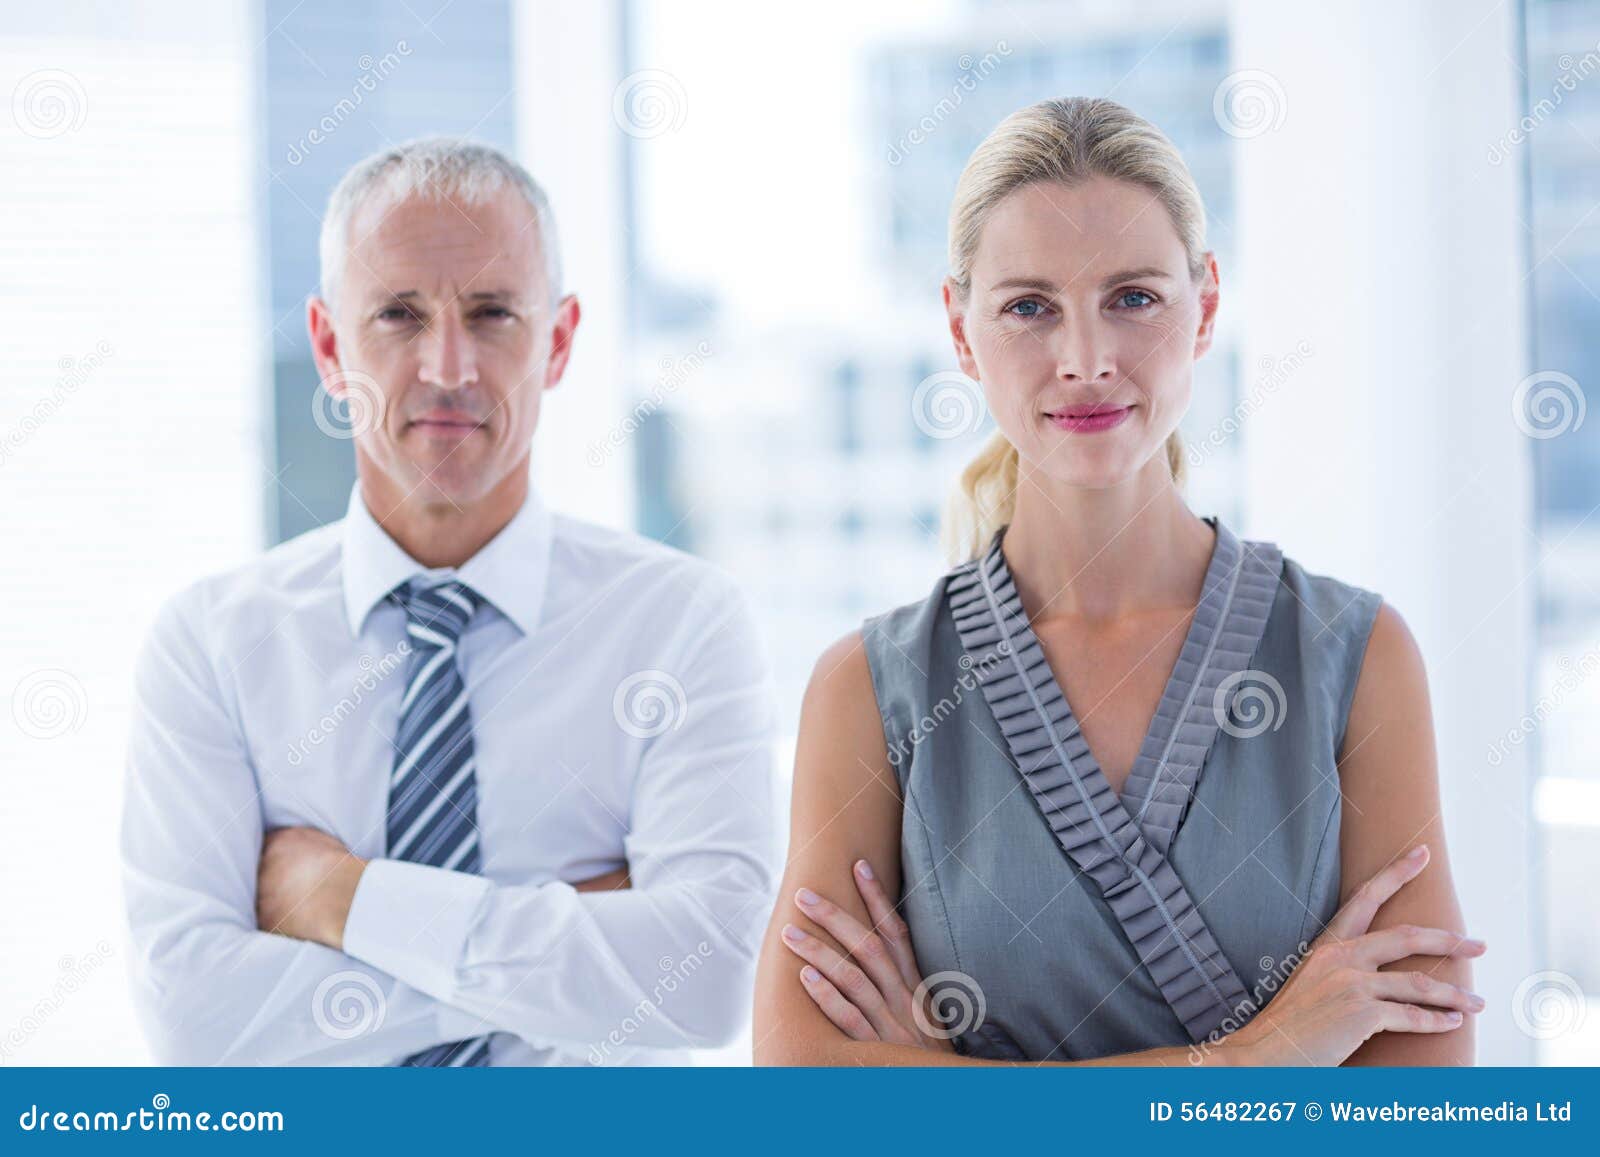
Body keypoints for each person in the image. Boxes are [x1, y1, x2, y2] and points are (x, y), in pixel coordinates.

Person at [752, 97, 1483, 1066]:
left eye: (1132, 297)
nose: (1086, 359)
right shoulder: (870, 684)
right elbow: (803, 1094)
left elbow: (1419, 1108)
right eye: (1028, 307)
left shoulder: (1353, 654)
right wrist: (1259, 1055)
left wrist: (943, 1085)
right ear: (960, 331)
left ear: (1206, 306)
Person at [122, 139, 779, 1066]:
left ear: (556, 341)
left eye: (493, 312)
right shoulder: (212, 643)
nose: (448, 365)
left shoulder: (683, 624)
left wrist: (341, 899)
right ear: (327, 344)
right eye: (397, 314)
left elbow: (708, 981)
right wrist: (567, 949)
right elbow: (196, 1024)